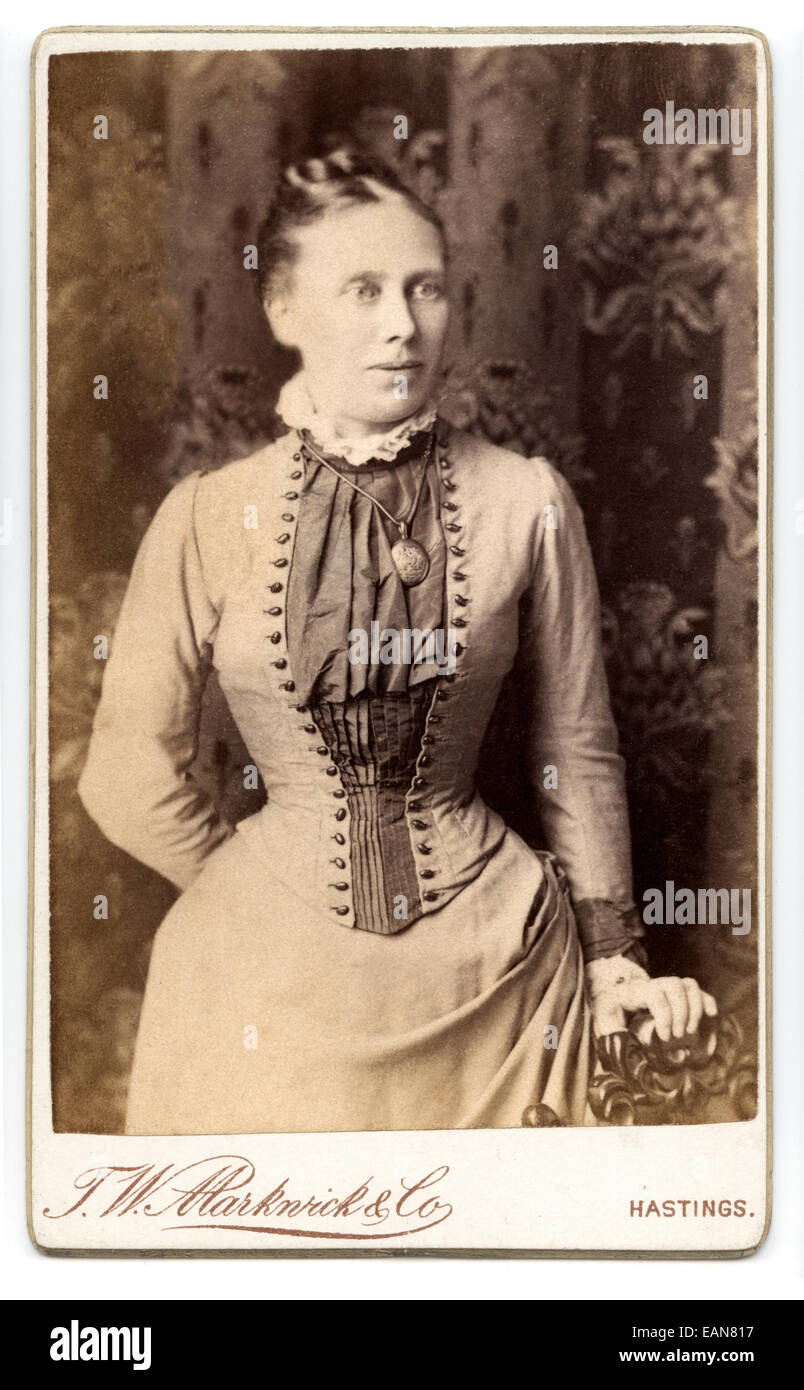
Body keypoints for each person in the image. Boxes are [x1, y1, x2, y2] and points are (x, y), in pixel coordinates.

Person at [78, 148, 716, 1135]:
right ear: (284, 310)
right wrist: (243, 891)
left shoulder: (527, 500)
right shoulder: (208, 515)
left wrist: (611, 952)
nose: (401, 325)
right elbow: (122, 770)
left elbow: (574, 750)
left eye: (426, 288)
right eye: (363, 288)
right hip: (256, 987)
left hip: (502, 976)